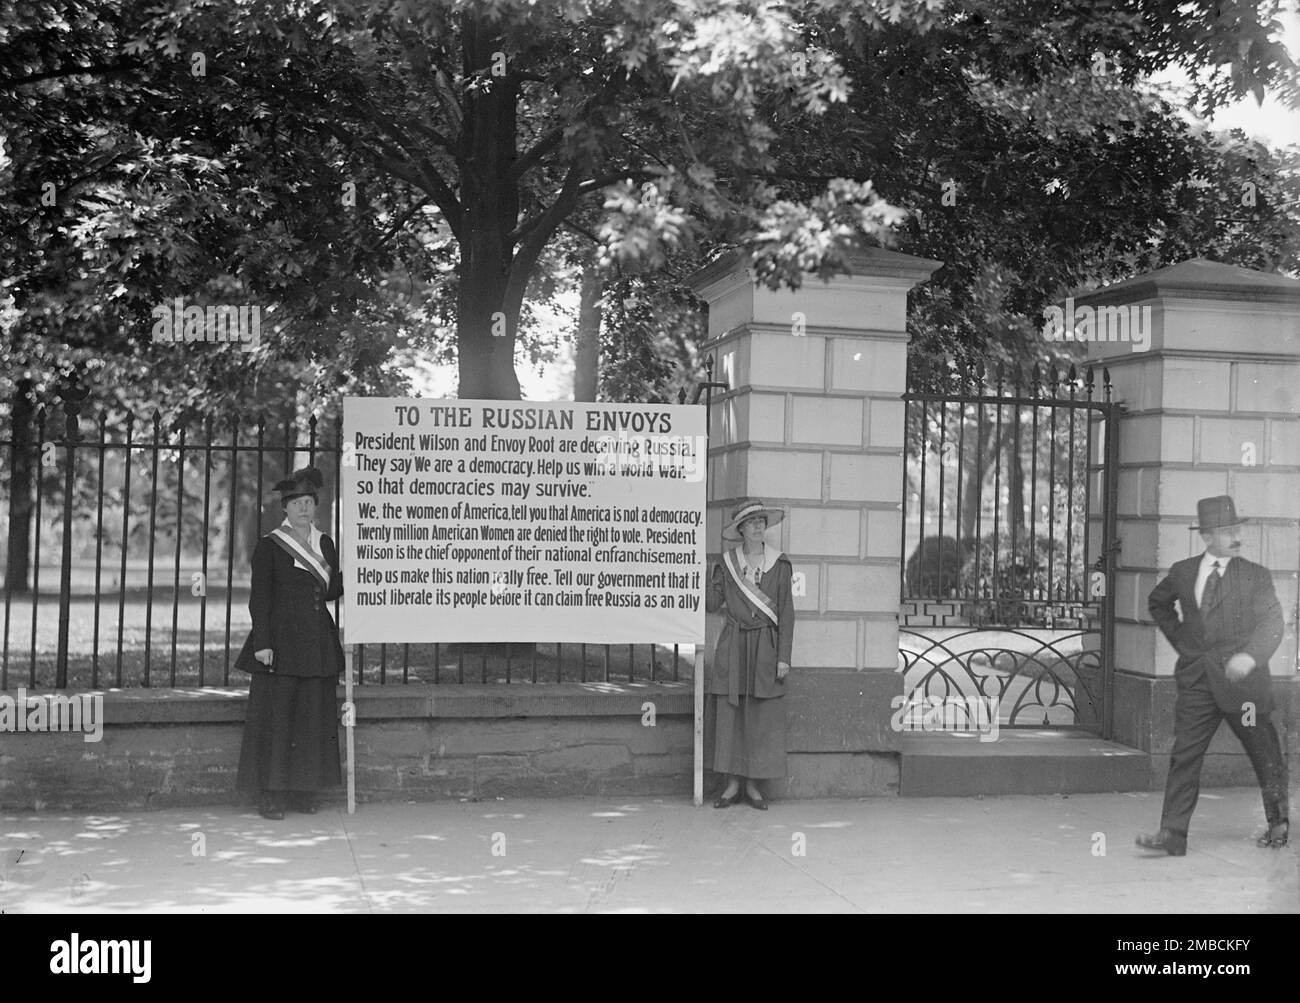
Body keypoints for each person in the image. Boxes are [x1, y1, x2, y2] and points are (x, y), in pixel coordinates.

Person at [1138, 495, 1289, 855]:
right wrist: (1184, 643)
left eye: (1237, 529)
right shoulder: (1183, 572)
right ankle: (1172, 835)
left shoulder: (1255, 576)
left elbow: (1272, 623)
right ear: (1206, 537)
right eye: (1226, 531)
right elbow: (1158, 603)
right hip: (1198, 682)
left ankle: (1279, 825)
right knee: (1184, 755)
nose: (1236, 536)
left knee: (1264, 752)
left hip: (1244, 684)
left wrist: (1250, 658)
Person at [235, 465, 345, 820]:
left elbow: (329, 590)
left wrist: (357, 573)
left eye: (309, 501)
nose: (303, 508)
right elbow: (260, 598)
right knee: (277, 720)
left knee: (312, 719)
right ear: (285, 506)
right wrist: (262, 643)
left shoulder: (323, 542)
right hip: (279, 645)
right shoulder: (270, 545)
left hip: (316, 643)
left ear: (315, 505)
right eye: (296, 502)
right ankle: (271, 795)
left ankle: (303, 791)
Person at [705, 498, 794, 810]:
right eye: (753, 522)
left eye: (762, 521)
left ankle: (753, 785)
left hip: (765, 648)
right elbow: (713, 605)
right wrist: (707, 575)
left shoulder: (780, 564)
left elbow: (786, 612)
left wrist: (784, 657)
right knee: (731, 713)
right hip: (734, 644)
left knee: (759, 715)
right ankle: (731, 784)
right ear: (740, 529)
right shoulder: (727, 563)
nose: (759, 526)